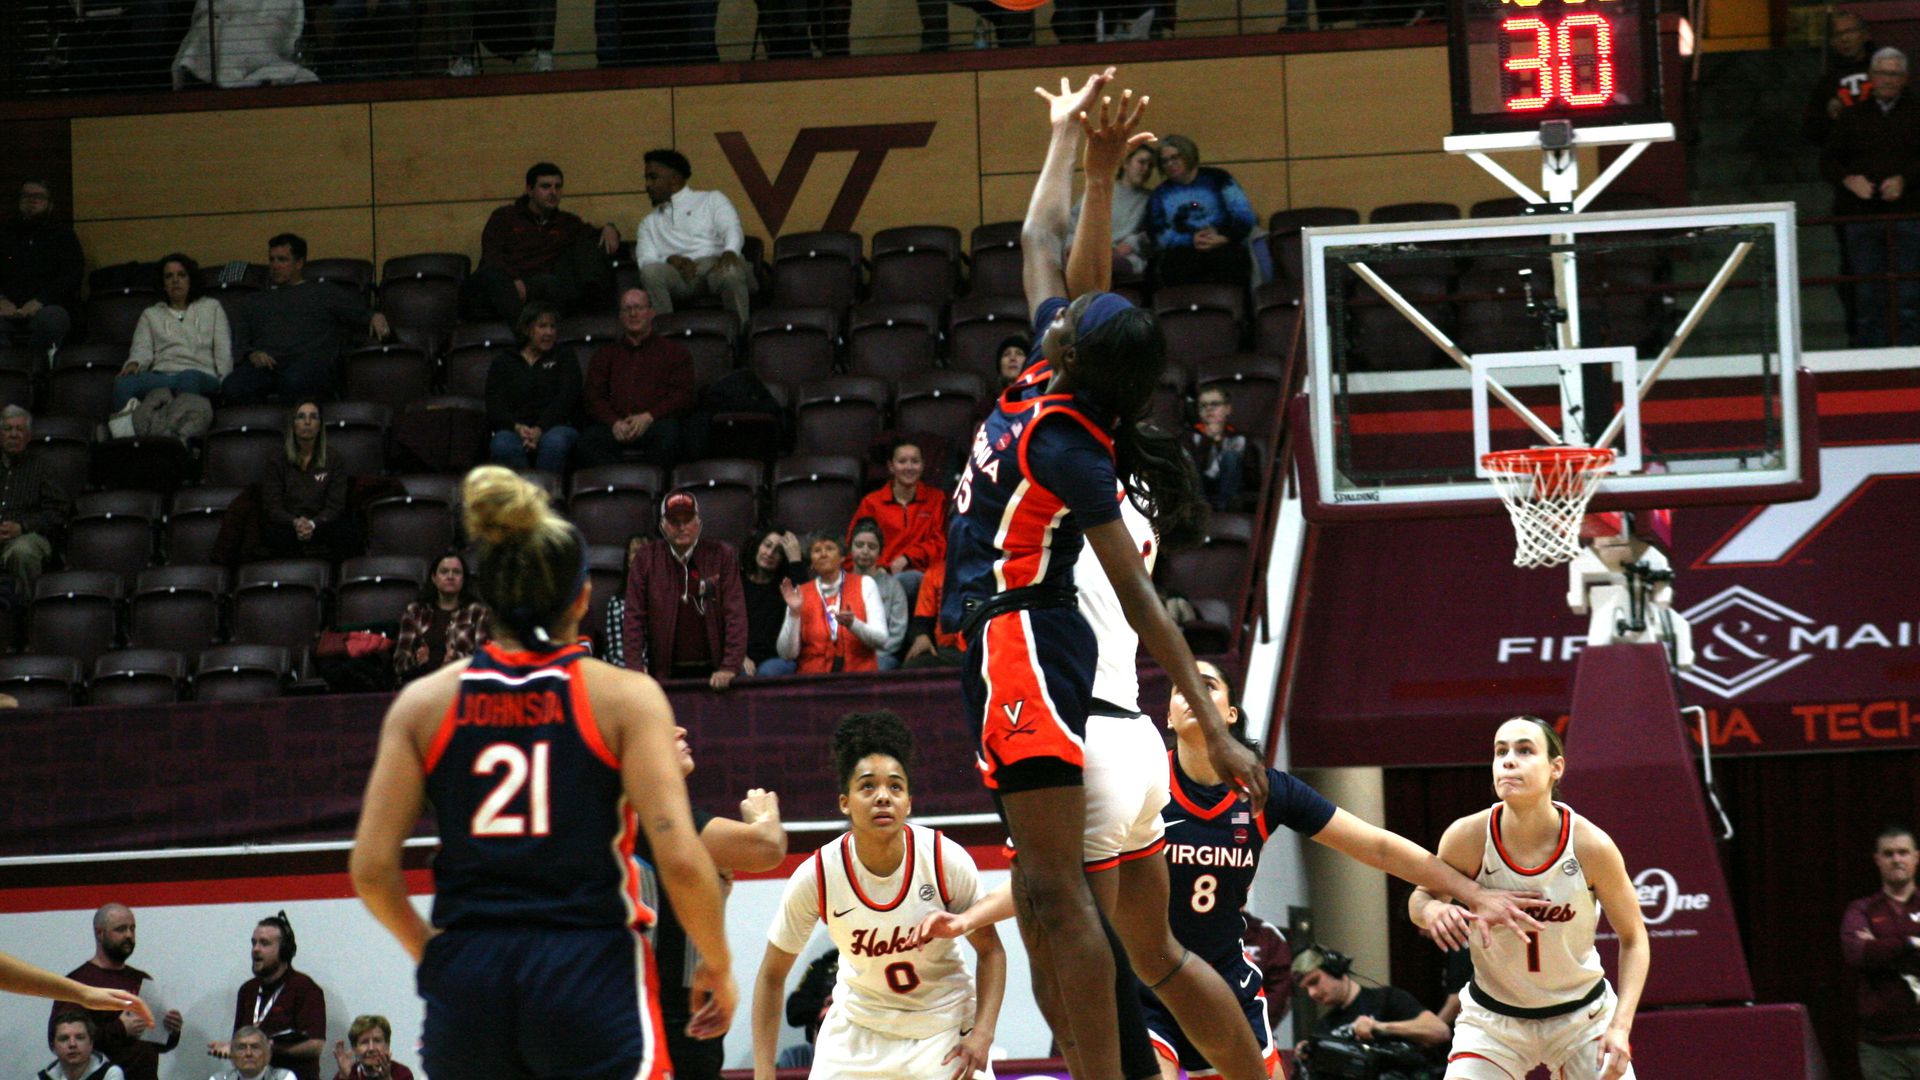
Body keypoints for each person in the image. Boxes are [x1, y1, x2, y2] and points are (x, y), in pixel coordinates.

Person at [936, 69, 1262, 1080]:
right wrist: (1079, 151)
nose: (1061, 318)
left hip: (1035, 653)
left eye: (1075, 326)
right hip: (1104, 715)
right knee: (1152, 951)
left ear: (1084, 364)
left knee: (1047, 902)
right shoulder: (1057, 378)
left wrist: (1213, 724)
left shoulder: (1077, 449)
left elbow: (1137, 596)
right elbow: (1041, 248)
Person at [924, 660, 1539, 1080]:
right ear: (1167, 717)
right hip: (1145, 989)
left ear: (1232, 713)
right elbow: (1056, 882)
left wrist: (1468, 892)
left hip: (1223, 982)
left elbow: (1373, 845)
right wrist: (971, 917)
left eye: (1209, 685)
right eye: (1179, 688)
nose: (1191, 693)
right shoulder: (1139, 780)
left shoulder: (1262, 791)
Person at [349, 465, 736, 1078]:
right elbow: (684, 863)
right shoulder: (623, 698)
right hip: (586, 971)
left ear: (486, 599)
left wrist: (432, 954)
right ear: (581, 598)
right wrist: (715, 962)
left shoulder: (425, 703)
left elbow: (371, 869)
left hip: (471, 979)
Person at [751, 711, 1006, 1080]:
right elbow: (772, 976)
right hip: (859, 1032)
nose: (883, 797)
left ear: (908, 802)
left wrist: (982, 1033)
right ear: (845, 801)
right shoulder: (819, 875)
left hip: (943, 1026)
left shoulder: (942, 859)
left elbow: (991, 951)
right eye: (868, 786)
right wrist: (762, 1073)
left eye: (895, 787)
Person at [1408, 716, 1649, 1080]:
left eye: (1524, 750)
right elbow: (1420, 897)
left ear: (1556, 768)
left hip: (1581, 1017)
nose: (1508, 760)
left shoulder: (1590, 846)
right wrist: (1434, 909)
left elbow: (1634, 938)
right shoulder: (1467, 836)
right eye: (1500, 751)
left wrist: (1620, 1026)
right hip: (1493, 1020)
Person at [655, 724, 788, 1079]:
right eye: (661, 723)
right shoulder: (660, 814)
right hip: (670, 1020)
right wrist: (765, 814)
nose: (680, 730)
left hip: (667, 1014)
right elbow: (767, 847)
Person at [1822, 46, 1920, 347]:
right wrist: (1849, 180)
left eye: (1894, 74)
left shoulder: (1917, 114)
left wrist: (1907, 180)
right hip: (1861, 214)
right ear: (1871, 77)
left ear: (1905, 78)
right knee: (1865, 293)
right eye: (1881, 73)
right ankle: (1869, 358)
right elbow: (1828, 161)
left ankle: (1910, 358)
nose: (1888, 80)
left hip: (1909, 214)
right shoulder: (1851, 117)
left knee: (1910, 294)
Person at [225, 234, 389, 405]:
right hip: (267, 365)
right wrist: (252, 353)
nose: (275, 266)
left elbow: (361, 313)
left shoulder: (323, 292)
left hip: (308, 364)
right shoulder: (255, 300)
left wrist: (375, 316)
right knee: (233, 386)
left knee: (295, 382)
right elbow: (241, 341)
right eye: (271, 260)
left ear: (299, 263)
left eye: (282, 260)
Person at [619, 491, 749, 688]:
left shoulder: (722, 555)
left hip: (717, 671)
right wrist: (636, 667)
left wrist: (730, 665)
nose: (681, 527)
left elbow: (735, 614)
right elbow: (633, 618)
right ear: (662, 525)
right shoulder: (645, 559)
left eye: (687, 520)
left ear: (699, 523)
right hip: (664, 672)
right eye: (674, 521)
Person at [462, 163, 621, 323]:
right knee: (489, 277)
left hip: (537, 286)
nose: (553, 192)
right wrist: (513, 280)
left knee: (551, 284)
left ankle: (528, 335)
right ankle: (523, 335)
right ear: (530, 190)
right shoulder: (504, 216)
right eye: (545, 187)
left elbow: (595, 234)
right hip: (501, 281)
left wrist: (609, 228)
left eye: (558, 187)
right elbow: (491, 255)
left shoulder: (567, 223)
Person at [51, 904, 183, 1080]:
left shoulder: (141, 979)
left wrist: (170, 1030)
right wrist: (120, 1029)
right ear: (100, 933)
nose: (129, 935)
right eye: (120, 929)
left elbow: (157, 1045)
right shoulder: (78, 983)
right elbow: (62, 1040)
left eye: (132, 929)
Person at [576, 288, 695, 469]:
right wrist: (614, 422)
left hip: (655, 423)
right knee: (587, 441)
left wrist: (649, 417)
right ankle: (619, 487)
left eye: (639, 308)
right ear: (620, 316)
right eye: (627, 309)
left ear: (651, 313)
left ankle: (651, 490)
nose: (633, 314)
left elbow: (683, 395)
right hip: (615, 426)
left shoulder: (674, 352)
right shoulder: (605, 354)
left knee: (671, 435)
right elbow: (593, 396)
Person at [634, 149, 752, 329]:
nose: (647, 185)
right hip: (682, 277)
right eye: (646, 179)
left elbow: (731, 228)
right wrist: (670, 259)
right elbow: (645, 259)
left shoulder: (711, 199)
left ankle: (741, 337)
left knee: (730, 271)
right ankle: (666, 338)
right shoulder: (648, 223)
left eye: (653, 177)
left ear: (674, 179)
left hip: (716, 266)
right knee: (650, 273)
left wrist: (730, 251)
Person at [1841, 824, 1920, 1079]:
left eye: (1903, 852)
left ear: (1916, 857)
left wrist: (1880, 946)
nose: (1896, 859)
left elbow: (1873, 952)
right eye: (1888, 854)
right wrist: (1911, 943)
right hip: (1881, 1047)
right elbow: (1857, 953)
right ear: (1877, 860)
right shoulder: (1861, 910)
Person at [207, 914, 326, 1080]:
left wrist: (266, 1048)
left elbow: (315, 1045)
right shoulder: (248, 990)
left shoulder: (304, 988)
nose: (255, 949)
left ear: (284, 950)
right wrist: (232, 1048)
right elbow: (240, 1038)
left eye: (264, 943)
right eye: (254, 943)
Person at [1294, 945, 1449, 1069]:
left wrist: (1380, 1027)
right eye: (1306, 988)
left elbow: (1440, 1031)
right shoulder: (1323, 1028)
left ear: (1336, 969)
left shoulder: (1387, 999)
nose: (1312, 993)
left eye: (1314, 981)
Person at [115, 254, 232, 409]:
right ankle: (126, 431)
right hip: (162, 375)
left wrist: (225, 385)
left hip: (200, 374)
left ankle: (177, 429)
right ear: (163, 284)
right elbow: (141, 349)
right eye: (169, 276)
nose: (175, 280)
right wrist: (134, 364)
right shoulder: (150, 314)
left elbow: (223, 351)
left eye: (181, 275)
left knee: (188, 378)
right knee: (123, 383)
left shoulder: (212, 307)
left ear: (190, 279)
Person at [1147, 136, 1256, 289]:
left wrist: (1224, 236)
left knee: (1230, 260)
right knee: (1171, 265)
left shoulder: (1219, 178)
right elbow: (1157, 233)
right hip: (1182, 249)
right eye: (1165, 161)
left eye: (1175, 158)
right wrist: (1190, 240)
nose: (1170, 164)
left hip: (1223, 242)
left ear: (1188, 155)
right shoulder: (1160, 194)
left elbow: (1244, 215)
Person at [485, 300, 582, 472]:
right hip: (515, 429)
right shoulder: (504, 361)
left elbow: (566, 398)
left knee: (554, 442)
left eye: (552, 327)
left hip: (555, 427)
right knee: (502, 444)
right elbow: (495, 405)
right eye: (542, 326)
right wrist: (517, 428)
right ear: (526, 328)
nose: (549, 332)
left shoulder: (565, 356)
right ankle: (524, 495)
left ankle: (544, 496)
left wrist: (540, 429)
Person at [775, 532, 887, 675]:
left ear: (842, 557)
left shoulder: (865, 584)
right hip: (814, 681)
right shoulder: (800, 592)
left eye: (829, 548)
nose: (823, 554)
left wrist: (854, 624)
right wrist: (794, 613)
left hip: (859, 680)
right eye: (816, 551)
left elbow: (881, 640)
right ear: (812, 562)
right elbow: (787, 654)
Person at [261, 402, 362, 561]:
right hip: (288, 524)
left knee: (348, 531)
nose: (307, 422)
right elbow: (272, 505)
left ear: (320, 425)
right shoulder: (277, 460)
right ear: (292, 425)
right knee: (271, 532)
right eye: (301, 417)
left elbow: (336, 505)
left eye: (313, 417)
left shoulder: (334, 459)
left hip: (322, 523)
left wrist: (313, 524)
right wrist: (295, 522)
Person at [849, 440, 944, 606]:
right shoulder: (871, 503)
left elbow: (941, 544)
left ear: (923, 466)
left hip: (925, 578)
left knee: (912, 580)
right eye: (902, 461)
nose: (909, 467)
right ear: (891, 466)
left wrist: (907, 558)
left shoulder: (937, 499)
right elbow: (855, 545)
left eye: (915, 461)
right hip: (880, 577)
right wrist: (881, 568)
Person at [1, 179, 84, 356]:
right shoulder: (5, 233)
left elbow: (72, 276)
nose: (31, 200)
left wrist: (41, 301)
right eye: (26, 196)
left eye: (38, 196)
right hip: (6, 307)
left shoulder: (63, 235)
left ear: (50, 205)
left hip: (46, 306)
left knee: (54, 319)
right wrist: (1, 300)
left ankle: (32, 365)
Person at [0, 405, 70, 600]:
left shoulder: (42, 468)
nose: (13, 435)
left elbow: (58, 511)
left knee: (22, 552)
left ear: (28, 436)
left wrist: (22, 527)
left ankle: (27, 614)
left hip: (29, 535)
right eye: (8, 429)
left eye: (19, 429)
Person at [392, 551, 490, 682]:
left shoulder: (478, 612)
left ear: (464, 579)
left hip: (460, 686)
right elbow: (399, 664)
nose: (450, 576)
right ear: (434, 578)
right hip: (421, 686)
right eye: (444, 571)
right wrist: (416, 660)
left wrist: (456, 659)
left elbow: (486, 661)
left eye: (456, 572)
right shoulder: (415, 612)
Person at [1073, 142, 1156, 282]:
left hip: (1126, 257)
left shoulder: (1151, 199)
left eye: (1150, 166)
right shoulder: (1100, 192)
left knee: (1098, 267)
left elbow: (1151, 233)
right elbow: (1073, 223)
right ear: (1126, 163)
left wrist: (1131, 244)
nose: (1146, 169)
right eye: (1142, 162)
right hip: (1092, 253)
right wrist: (1072, 247)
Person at [739, 527, 806, 677]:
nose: (770, 554)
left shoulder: (786, 585)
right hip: (743, 655)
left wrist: (795, 560)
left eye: (778, 551)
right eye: (767, 545)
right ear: (757, 546)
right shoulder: (737, 582)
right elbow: (724, 624)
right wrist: (739, 656)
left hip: (779, 657)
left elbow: (806, 605)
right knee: (743, 673)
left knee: (768, 673)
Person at [1806, 12, 1877, 145]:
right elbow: (1811, 133)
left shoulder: (1883, 69)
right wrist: (1829, 116)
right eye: (1838, 34)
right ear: (1832, 42)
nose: (1845, 39)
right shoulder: (1827, 81)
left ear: (1865, 35)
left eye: (1850, 31)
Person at [846, 517, 908, 669]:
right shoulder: (839, 583)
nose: (865, 551)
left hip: (881, 656)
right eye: (859, 545)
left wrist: (872, 654)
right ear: (851, 549)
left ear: (880, 553)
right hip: (845, 654)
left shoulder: (893, 586)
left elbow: (897, 632)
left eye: (872, 546)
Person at [1187, 386, 1254, 511]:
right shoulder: (1190, 435)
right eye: (1203, 405)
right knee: (1187, 459)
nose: (1209, 409)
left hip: (1231, 485)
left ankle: (1226, 507)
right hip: (1201, 485)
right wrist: (1207, 439)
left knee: (1231, 457)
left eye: (1215, 404)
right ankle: (1200, 507)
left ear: (1228, 409)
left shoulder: (1239, 437)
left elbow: (1252, 477)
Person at [901, 557, 964, 669]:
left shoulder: (991, 571)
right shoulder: (935, 573)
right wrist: (922, 635)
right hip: (946, 651)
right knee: (911, 667)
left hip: (983, 649)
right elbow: (922, 619)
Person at [41, 1011, 127, 1080]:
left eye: (80, 1038)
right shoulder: (42, 1078)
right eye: (64, 1039)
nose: (72, 1044)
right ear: (53, 1046)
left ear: (91, 1042)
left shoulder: (110, 1074)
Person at [329, 1016, 413, 1080]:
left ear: (387, 1045)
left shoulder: (402, 1073)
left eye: (377, 1040)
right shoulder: (346, 1073)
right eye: (364, 1042)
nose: (371, 1048)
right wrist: (346, 1077)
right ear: (354, 1049)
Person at [208, 1026, 293, 1080]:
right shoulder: (218, 1079)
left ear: (268, 1054)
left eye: (255, 1047)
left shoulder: (284, 1077)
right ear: (232, 1056)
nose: (248, 1053)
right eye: (241, 1048)